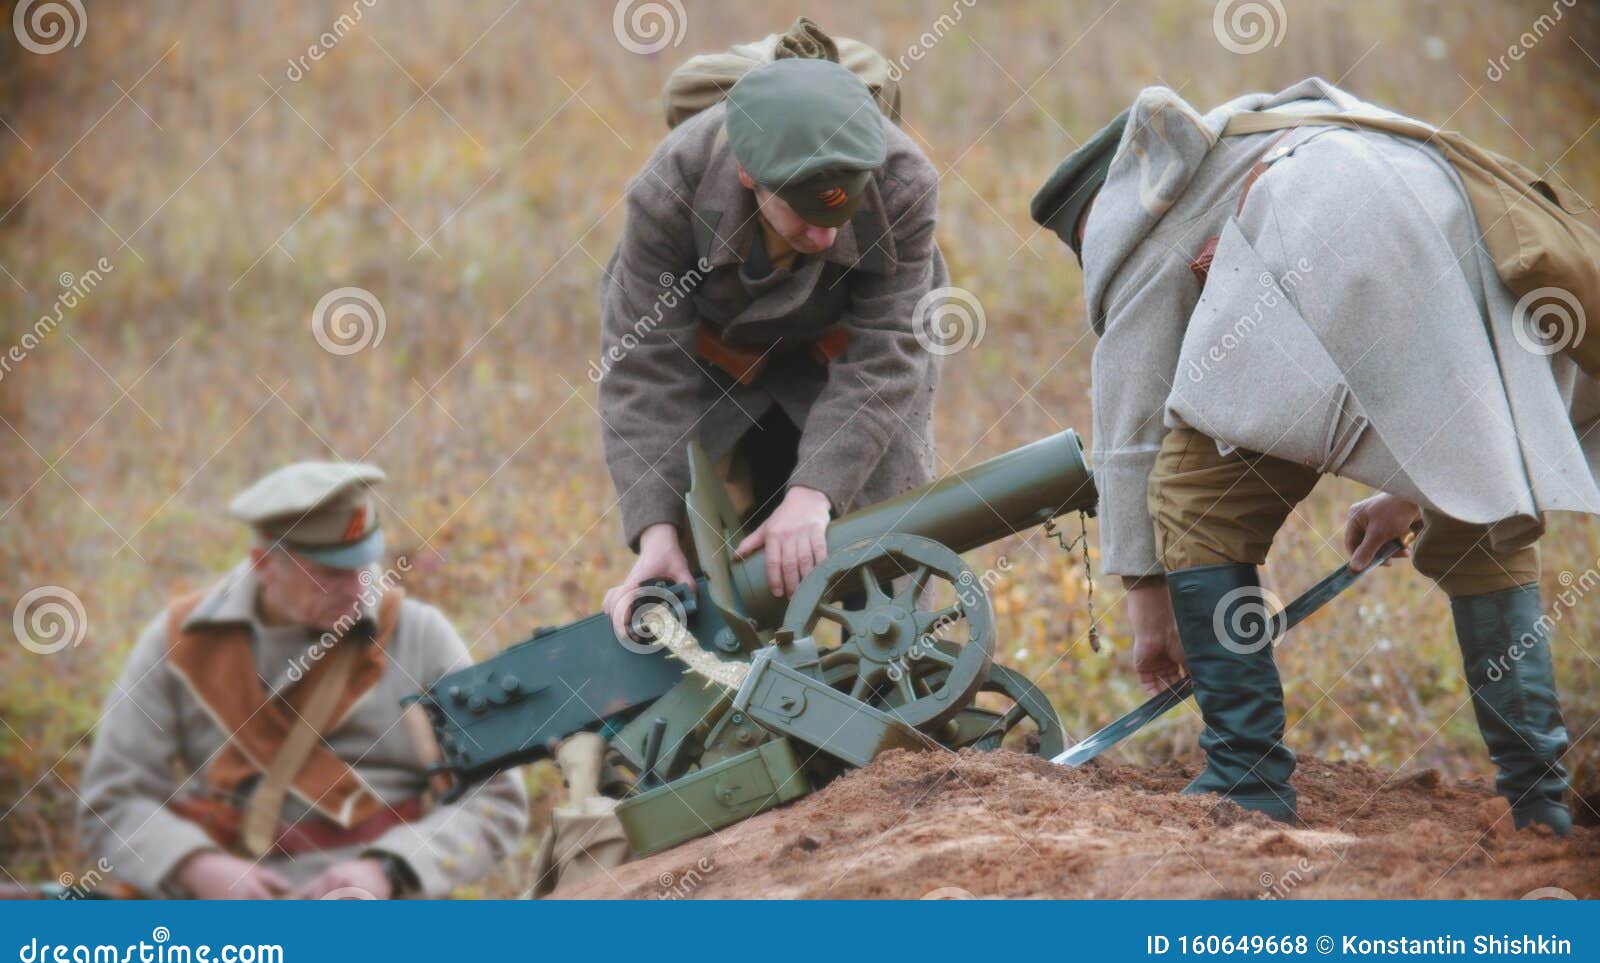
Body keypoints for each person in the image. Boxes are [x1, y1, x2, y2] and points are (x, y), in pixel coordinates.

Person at [1031, 78, 1600, 833]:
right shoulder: (1293, 130)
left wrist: (1147, 596)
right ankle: (1541, 803)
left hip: (1327, 234)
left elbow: (1133, 428)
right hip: (1471, 231)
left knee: (1196, 497)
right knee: (1483, 514)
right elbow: (1449, 374)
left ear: (1096, 214)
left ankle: (1247, 775)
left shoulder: (1138, 220)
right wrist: (1408, 489)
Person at [596, 26, 947, 633]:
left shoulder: (903, 182)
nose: (827, 238)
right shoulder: (668, 190)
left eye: (840, 215)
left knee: (887, 545)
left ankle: (896, 695)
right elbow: (645, 367)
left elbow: (888, 353)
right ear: (749, 177)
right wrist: (654, 533)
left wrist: (814, 494)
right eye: (804, 218)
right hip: (716, 362)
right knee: (704, 568)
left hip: (847, 359)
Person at [78, 461, 528, 897]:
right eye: (331, 573)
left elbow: (497, 801)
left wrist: (387, 868)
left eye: (365, 564)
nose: (359, 588)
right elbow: (112, 799)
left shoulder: (420, 636)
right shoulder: (181, 641)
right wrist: (194, 864)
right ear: (264, 565)